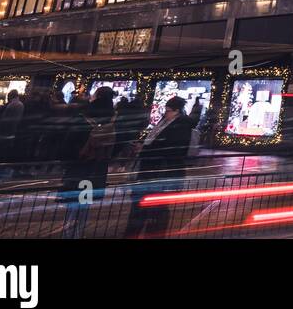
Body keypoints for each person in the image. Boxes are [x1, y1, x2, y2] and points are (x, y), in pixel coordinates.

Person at [125, 96, 195, 237]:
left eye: (168, 110)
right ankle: (134, 233)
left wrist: (144, 149)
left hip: (162, 173)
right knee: (141, 205)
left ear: (177, 111)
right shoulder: (164, 122)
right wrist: (142, 146)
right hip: (149, 171)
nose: (165, 113)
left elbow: (172, 148)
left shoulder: (181, 125)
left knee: (157, 209)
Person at [59, 88, 116, 238]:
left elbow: (68, 142)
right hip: (96, 169)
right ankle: (78, 233)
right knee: (84, 204)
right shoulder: (112, 118)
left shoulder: (84, 115)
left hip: (80, 165)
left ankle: (68, 234)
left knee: (73, 205)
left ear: (97, 96)